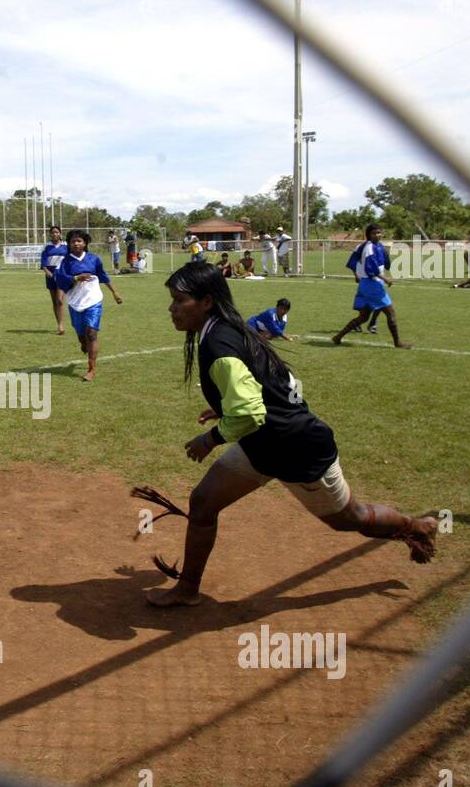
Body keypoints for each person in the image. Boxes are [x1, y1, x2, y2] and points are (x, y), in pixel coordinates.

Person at [139, 261, 437, 608]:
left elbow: (251, 412)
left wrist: (211, 439)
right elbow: (264, 390)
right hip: (262, 444)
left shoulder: (219, 344)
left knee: (348, 519)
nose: (171, 308)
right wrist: (225, 409)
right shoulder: (223, 329)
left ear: (206, 302)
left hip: (296, 450)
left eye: (179, 300)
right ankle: (187, 590)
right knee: (204, 502)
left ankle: (417, 527)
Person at [53, 229, 122, 381]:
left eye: (79, 241)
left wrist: (115, 293)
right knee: (81, 335)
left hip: (93, 300)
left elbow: (103, 276)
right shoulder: (65, 262)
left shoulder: (93, 259)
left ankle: (91, 369)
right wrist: (76, 278)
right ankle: (83, 343)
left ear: (85, 243)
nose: (76, 243)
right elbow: (61, 279)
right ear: (69, 244)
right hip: (76, 303)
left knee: (91, 333)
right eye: (73, 241)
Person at [332, 224, 411, 348]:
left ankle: (338, 337)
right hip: (372, 283)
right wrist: (385, 279)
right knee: (391, 313)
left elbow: (385, 264)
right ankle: (398, 343)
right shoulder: (368, 247)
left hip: (367, 284)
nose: (377, 235)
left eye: (379, 232)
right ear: (368, 234)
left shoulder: (379, 246)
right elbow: (370, 268)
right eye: (374, 233)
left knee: (363, 317)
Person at [40, 225, 69, 335]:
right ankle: (59, 324)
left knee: (60, 300)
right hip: (50, 275)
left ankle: (61, 325)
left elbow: (69, 260)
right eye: (53, 232)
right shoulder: (47, 246)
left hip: (61, 274)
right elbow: (43, 262)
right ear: (50, 234)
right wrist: (47, 271)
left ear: (60, 233)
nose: (55, 234)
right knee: (54, 301)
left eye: (57, 232)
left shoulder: (66, 245)